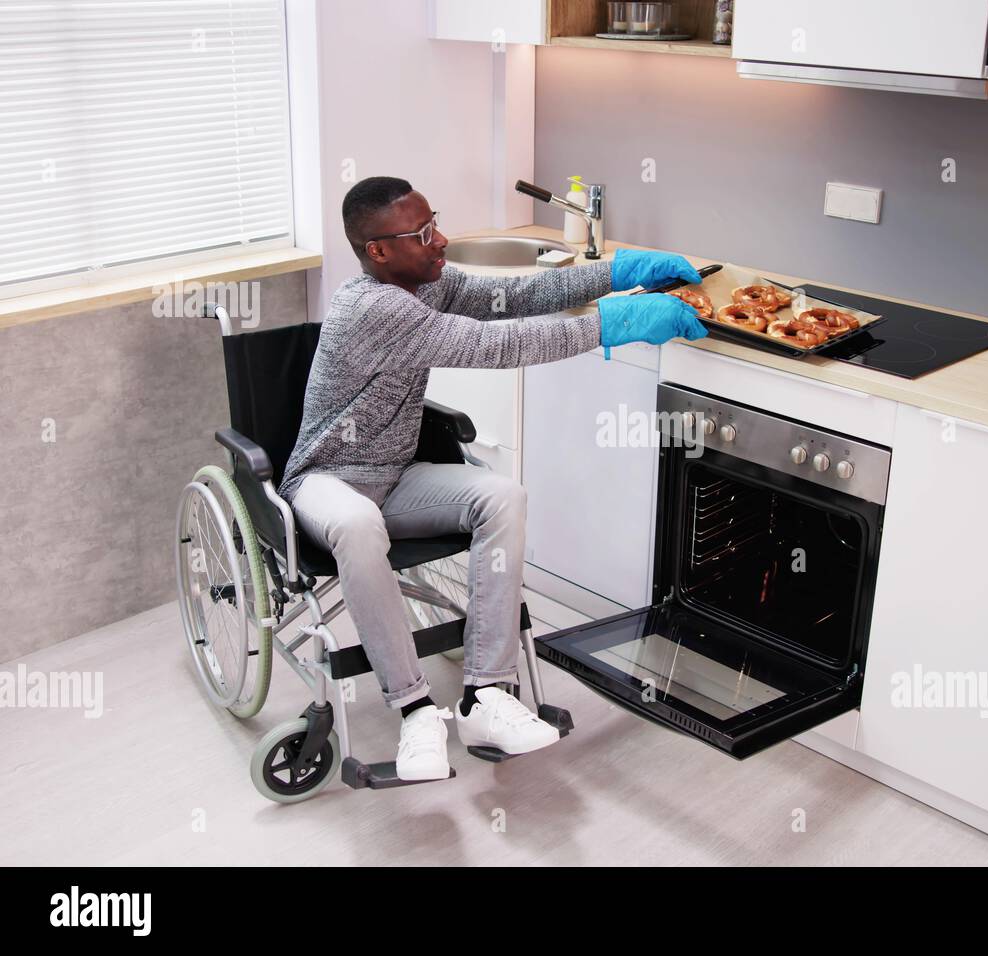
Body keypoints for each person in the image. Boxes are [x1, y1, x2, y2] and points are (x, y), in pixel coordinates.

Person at [277, 176, 707, 780]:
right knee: (357, 522)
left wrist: (616, 271)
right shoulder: (375, 307)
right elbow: (495, 346)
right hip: (327, 481)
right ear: (378, 251)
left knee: (502, 495)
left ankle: (485, 694)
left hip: (396, 476)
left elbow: (523, 299)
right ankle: (415, 709)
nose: (441, 240)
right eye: (423, 233)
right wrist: (613, 322)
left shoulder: (426, 283)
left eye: (435, 223)